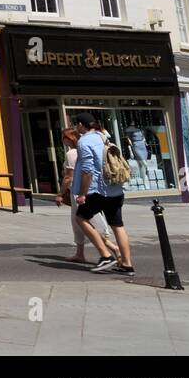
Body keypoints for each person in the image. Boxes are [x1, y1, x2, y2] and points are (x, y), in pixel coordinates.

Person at [72, 113, 135, 275]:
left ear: (81, 125)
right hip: (116, 189)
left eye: (76, 125)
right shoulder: (104, 137)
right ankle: (127, 265)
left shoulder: (84, 141)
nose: (75, 128)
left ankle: (105, 255)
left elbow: (87, 171)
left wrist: (82, 194)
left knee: (81, 218)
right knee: (117, 225)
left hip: (98, 191)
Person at [57, 125, 117, 264]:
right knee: (81, 223)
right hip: (92, 189)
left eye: (63, 138)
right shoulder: (90, 148)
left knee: (84, 222)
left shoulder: (72, 153)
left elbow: (68, 177)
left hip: (78, 192)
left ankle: (112, 250)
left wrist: (60, 194)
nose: (62, 141)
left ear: (68, 139)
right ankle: (80, 253)